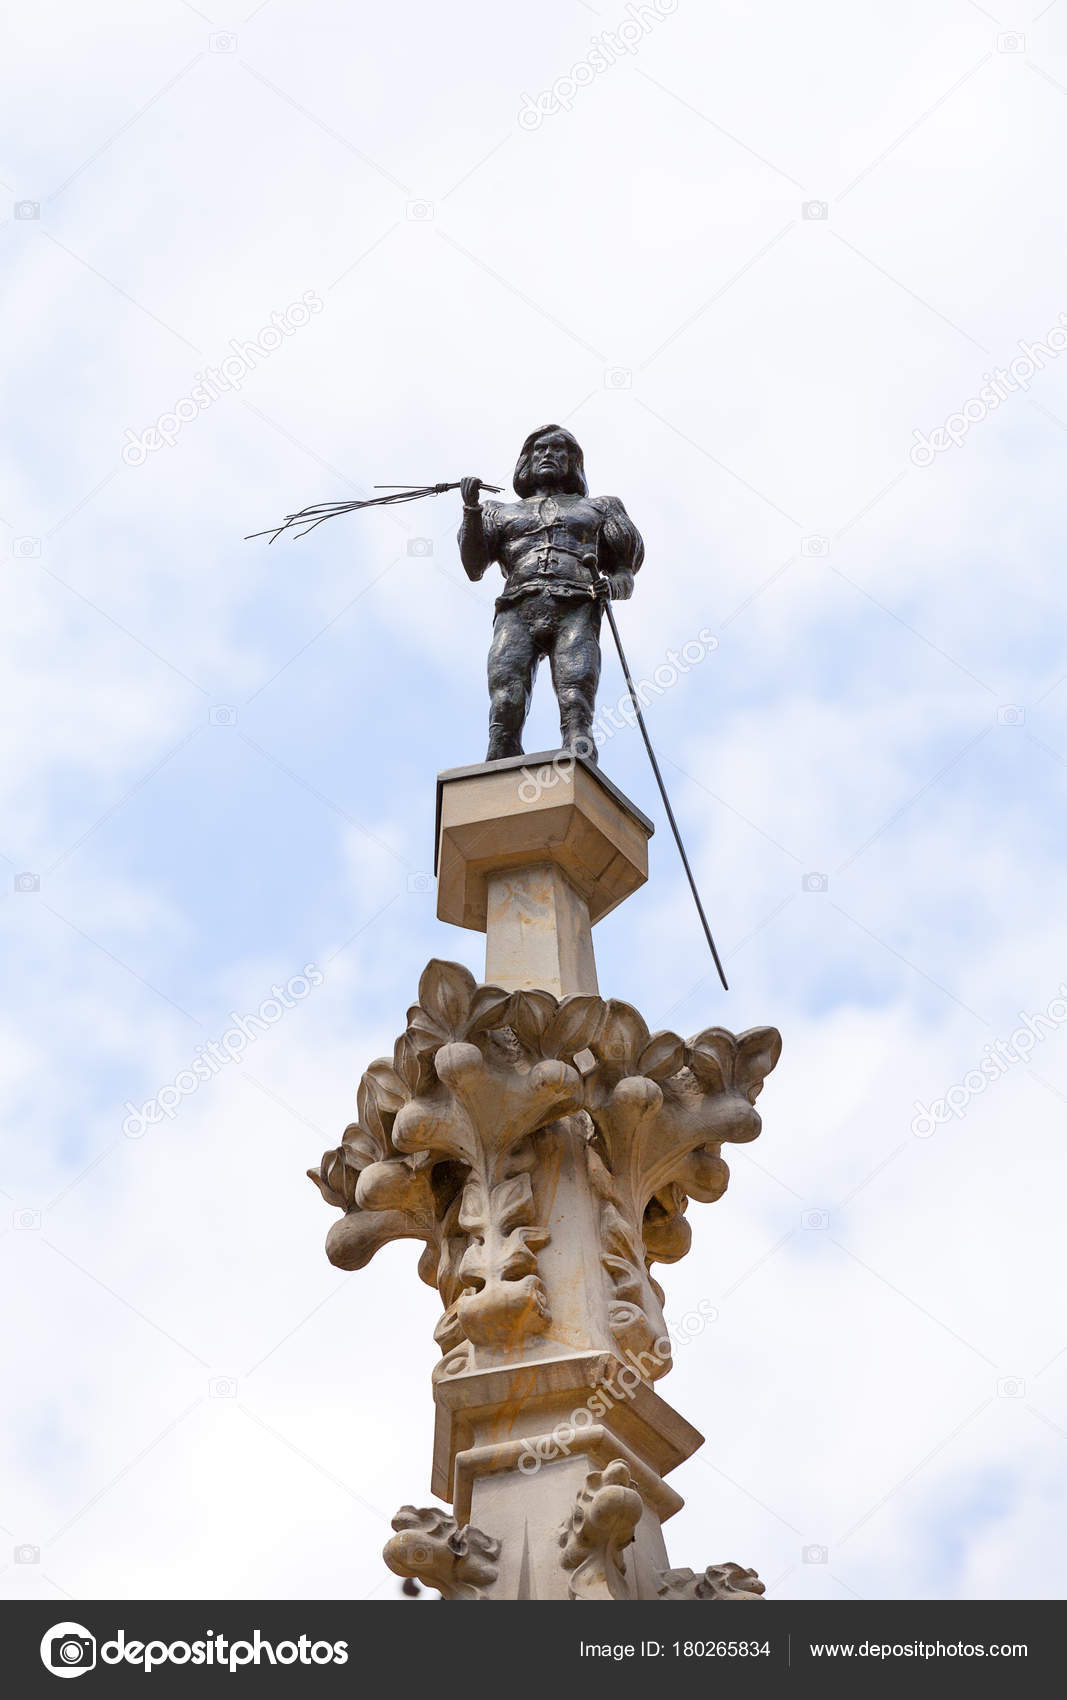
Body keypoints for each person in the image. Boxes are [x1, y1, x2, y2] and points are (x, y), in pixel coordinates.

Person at [458, 425, 644, 762]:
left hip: (575, 605)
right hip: (517, 606)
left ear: (573, 461)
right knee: (505, 702)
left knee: (576, 700)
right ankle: (498, 771)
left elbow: (625, 573)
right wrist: (471, 509)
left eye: (558, 449)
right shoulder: (498, 512)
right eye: (540, 449)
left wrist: (612, 587)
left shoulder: (601, 508)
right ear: (526, 460)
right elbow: (474, 567)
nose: (548, 455)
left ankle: (578, 762)